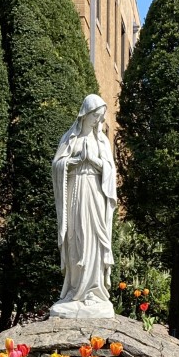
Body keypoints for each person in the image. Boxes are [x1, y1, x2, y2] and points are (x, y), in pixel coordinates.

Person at [50, 94, 117, 319]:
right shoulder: (70, 139)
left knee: (95, 239)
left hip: (95, 194)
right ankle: (75, 290)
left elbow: (110, 171)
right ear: (85, 114)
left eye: (100, 117)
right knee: (77, 237)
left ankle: (94, 290)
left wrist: (95, 162)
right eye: (95, 116)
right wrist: (71, 162)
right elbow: (57, 165)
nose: (98, 120)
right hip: (76, 190)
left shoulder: (102, 142)